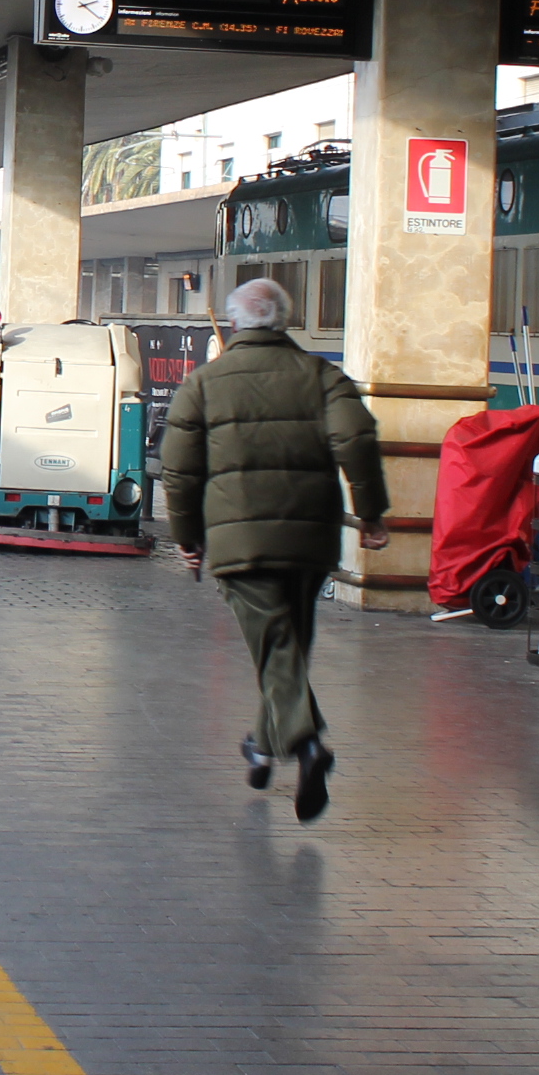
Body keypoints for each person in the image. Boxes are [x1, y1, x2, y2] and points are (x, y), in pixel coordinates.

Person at [156, 275, 391, 825]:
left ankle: (309, 748)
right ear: (283, 322)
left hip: (241, 541)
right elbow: (357, 440)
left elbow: (180, 471)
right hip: (310, 539)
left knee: (277, 648)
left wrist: (187, 538)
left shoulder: (205, 384)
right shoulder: (321, 376)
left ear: (236, 324)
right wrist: (372, 513)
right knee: (287, 648)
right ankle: (262, 748)